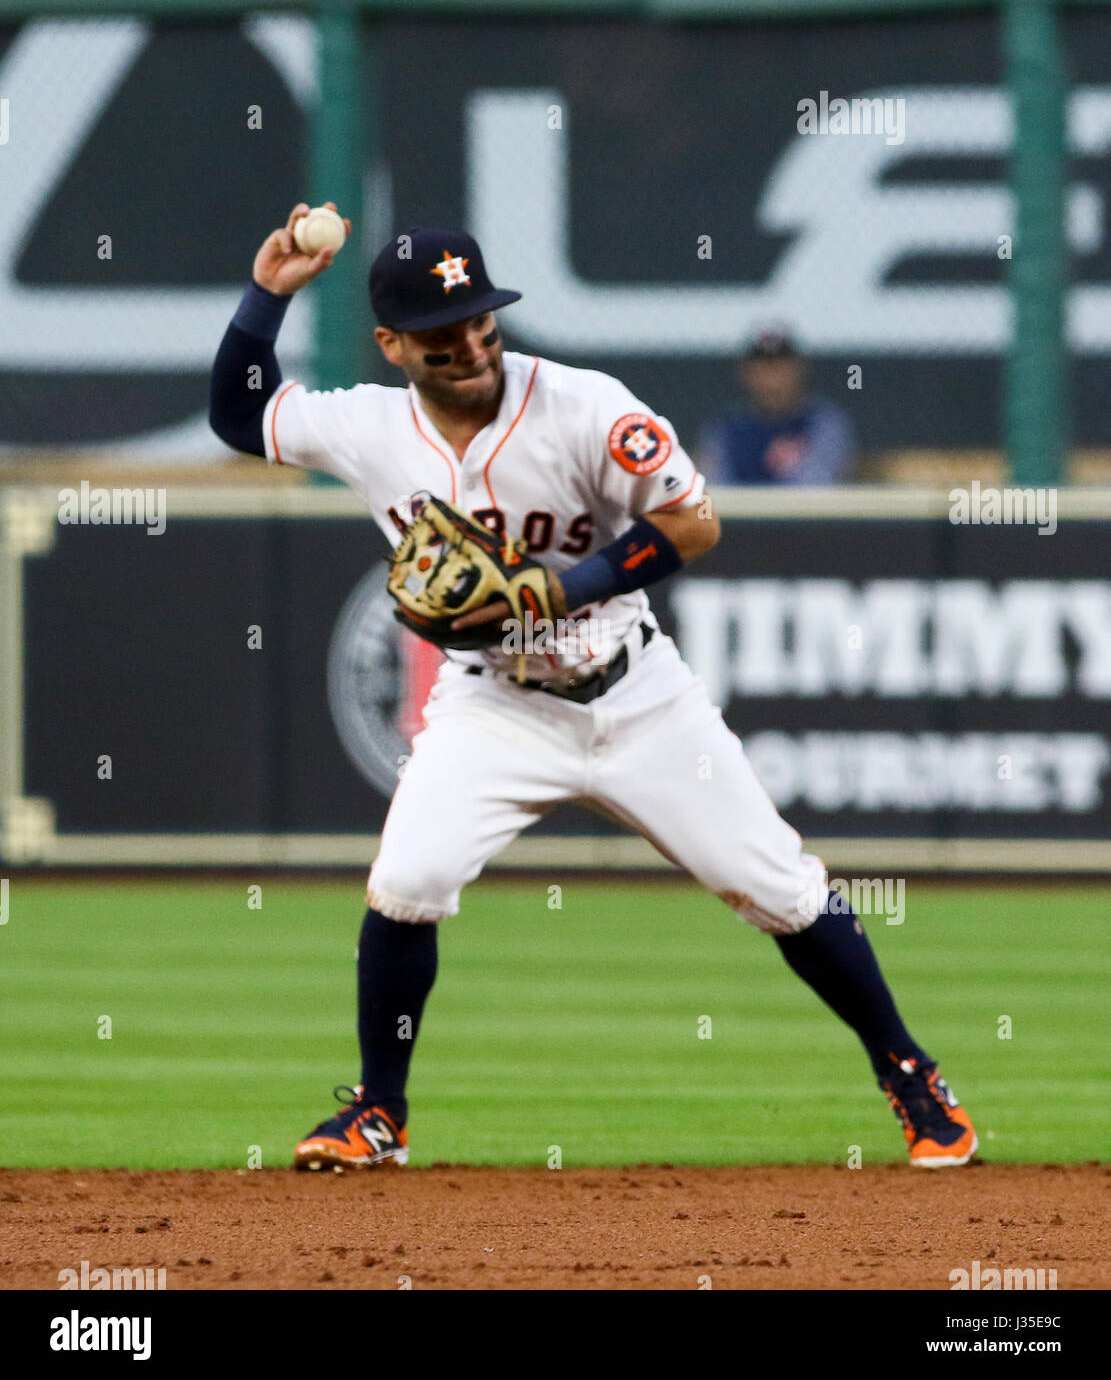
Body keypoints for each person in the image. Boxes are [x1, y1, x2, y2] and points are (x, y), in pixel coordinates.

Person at [208, 204, 976, 1171]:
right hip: (492, 703)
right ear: (392, 344)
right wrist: (267, 293)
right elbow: (240, 414)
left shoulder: (582, 405)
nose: (472, 345)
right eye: (444, 336)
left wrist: (570, 583)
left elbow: (693, 525)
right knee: (406, 883)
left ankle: (912, 1078)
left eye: (482, 321)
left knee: (780, 888)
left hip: (634, 691)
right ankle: (378, 1114)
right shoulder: (367, 425)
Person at [699, 329, 856, 485]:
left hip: (803, 510)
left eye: (779, 366)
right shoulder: (725, 428)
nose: (772, 379)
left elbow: (819, 488)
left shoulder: (825, 423)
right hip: (739, 510)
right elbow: (716, 488)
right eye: (763, 367)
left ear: (799, 369)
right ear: (745, 372)